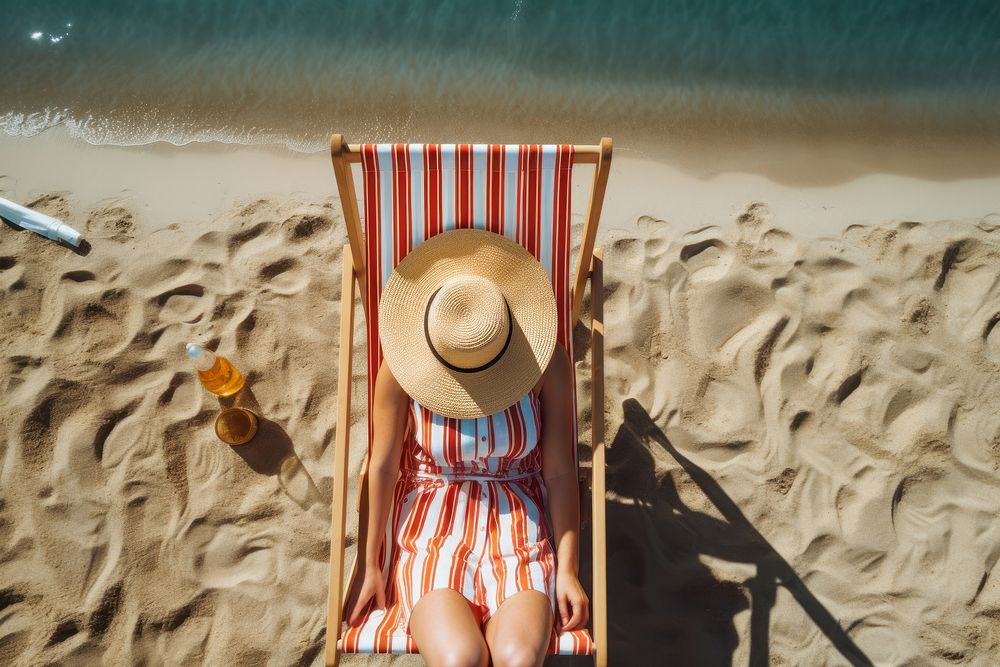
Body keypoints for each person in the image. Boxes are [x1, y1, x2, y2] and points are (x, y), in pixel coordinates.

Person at [345, 229, 589, 667]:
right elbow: (380, 466)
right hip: (433, 525)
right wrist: (370, 562)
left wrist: (568, 569)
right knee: (461, 658)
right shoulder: (402, 367)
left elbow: (559, 471)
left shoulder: (544, 360)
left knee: (517, 659)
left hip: (520, 526)